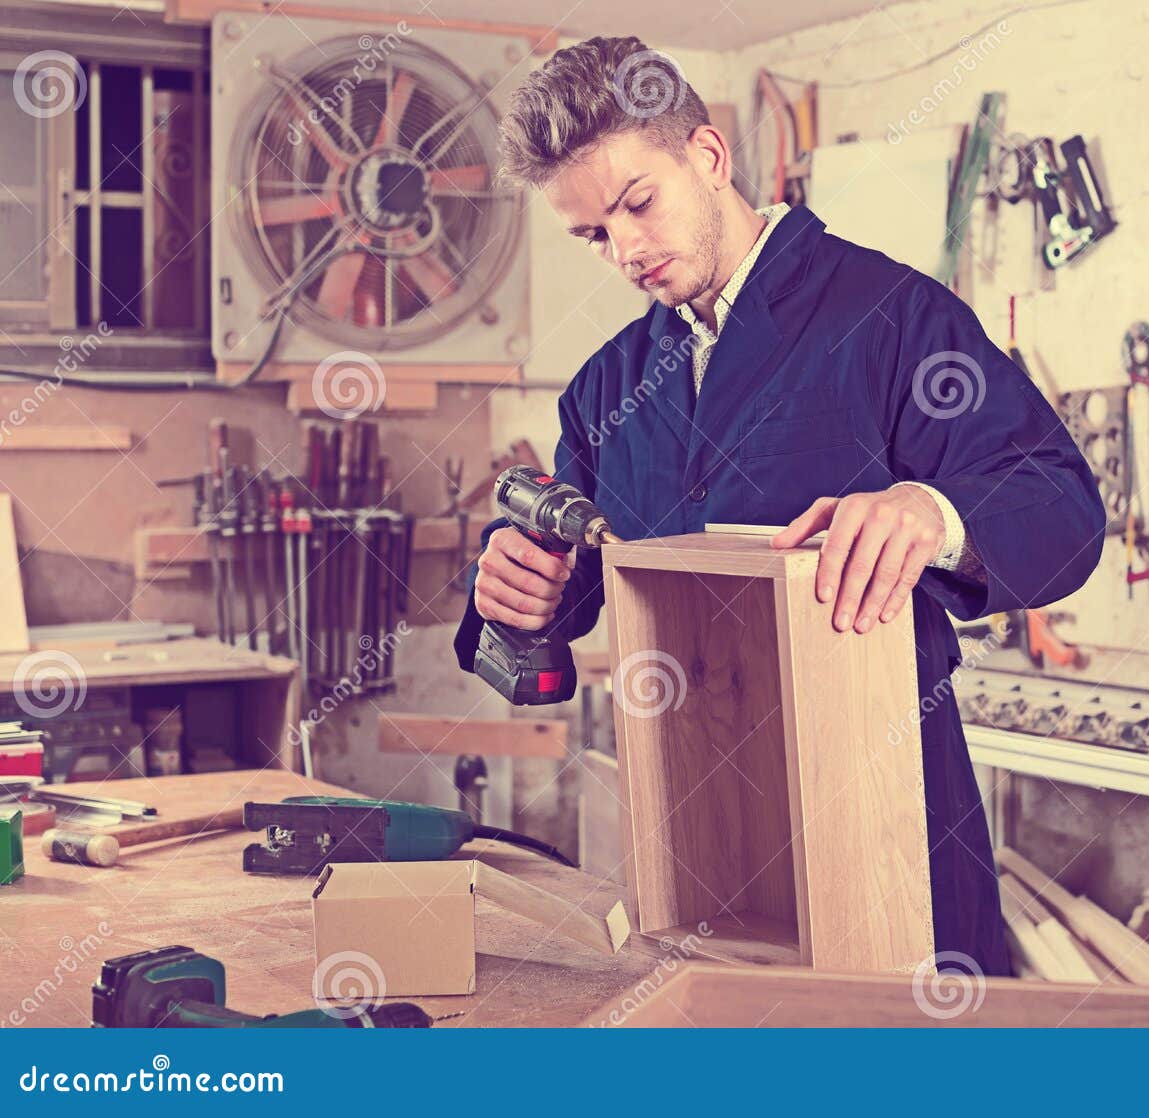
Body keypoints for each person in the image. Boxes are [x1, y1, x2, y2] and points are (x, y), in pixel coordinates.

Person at [453, 36, 1105, 973]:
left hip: (885, 819)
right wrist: (517, 591)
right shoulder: (606, 390)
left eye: (639, 203)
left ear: (708, 158)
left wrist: (933, 512)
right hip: (691, 843)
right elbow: (567, 589)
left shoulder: (892, 317)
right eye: (594, 235)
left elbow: (1062, 508)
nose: (626, 251)